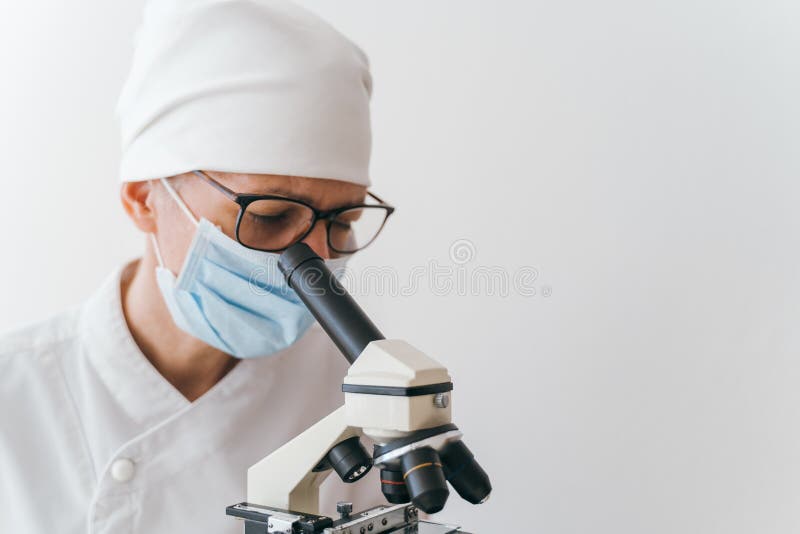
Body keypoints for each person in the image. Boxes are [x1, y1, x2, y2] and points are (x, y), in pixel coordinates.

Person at [0, 1, 393, 532]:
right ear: (144, 199)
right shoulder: (16, 398)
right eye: (271, 215)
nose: (317, 261)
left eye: (341, 222)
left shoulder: (355, 401)